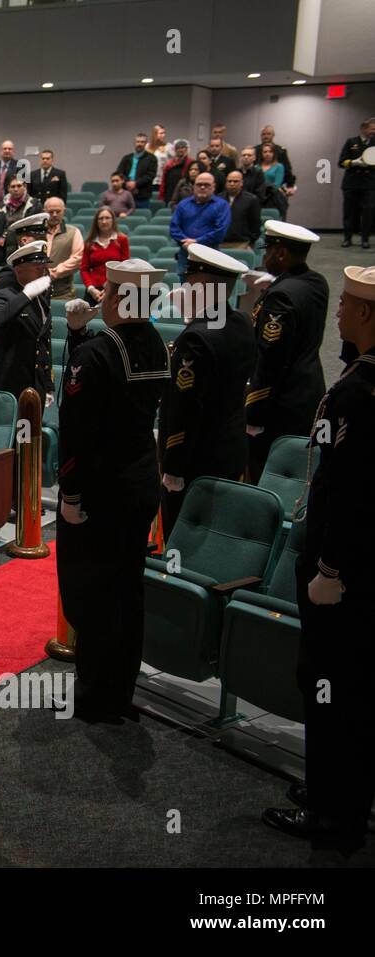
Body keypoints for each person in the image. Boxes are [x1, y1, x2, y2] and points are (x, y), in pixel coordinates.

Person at [262, 264, 375, 850]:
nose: (337, 316)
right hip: (360, 564)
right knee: (347, 686)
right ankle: (338, 787)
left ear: (366, 316)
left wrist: (329, 567)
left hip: (344, 568)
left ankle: (335, 811)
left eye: (347, 308)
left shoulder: (358, 390)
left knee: (332, 684)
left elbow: (348, 491)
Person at [56, 260, 170, 720]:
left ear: (124, 299)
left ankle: (94, 696)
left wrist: (70, 493)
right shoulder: (157, 345)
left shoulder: (99, 352)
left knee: (90, 593)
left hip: (100, 492)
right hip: (140, 483)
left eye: (107, 292)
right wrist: (83, 337)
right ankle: (119, 690)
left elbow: (77, 428)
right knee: (127, 592)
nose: (99, 296)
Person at [156, 245, 255, 532]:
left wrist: (173, 467)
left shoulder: (196, 339)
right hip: (230, 446)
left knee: (184, 535)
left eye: (189, 280)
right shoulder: (242, 322)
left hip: (195, 458)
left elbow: (184, 408)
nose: (185, 285)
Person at [245, 221, 328, 481]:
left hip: (279, 404)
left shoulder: (280, 297)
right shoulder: (316, 282)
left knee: (264, 475)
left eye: (267, 251)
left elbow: (271, 360)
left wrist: (254, 412)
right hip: (309, 390)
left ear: (281, 254)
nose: (264, 256)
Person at [0, 240, 54, 404]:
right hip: (11, 383)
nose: (44, 271)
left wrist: (48, 384)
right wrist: (25, 295)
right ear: (18, 269)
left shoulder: (41, 297)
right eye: (38, 268)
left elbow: (44, 343)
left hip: (36, 382)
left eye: (45, 267)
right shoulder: (4, 295)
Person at [170, 172, 230, 279]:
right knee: (185, 291)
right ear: (194, 186)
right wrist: (186, 242)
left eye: (207, 185)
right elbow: (174, 228)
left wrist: (197, 242)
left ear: (214, 187)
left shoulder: (222, 205)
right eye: (199, 184)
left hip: (210, 253)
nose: (202, 187)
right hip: (186, 254)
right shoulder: (183, 204)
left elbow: (220, 231)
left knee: (209, 291)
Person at [80, 207, 130, 303]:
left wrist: (110, 285)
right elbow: (84, 269)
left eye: (107, 218)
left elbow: (125, 266)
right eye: (101, 218)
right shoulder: (89, 242)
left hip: (116, 289)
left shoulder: (122, 239)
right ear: (96, 221)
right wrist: (91, 289)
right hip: (93, 292)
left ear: (113, 220)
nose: (104, 221)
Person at [338, 118, 375, 249]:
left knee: (368, 213)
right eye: (372, 129)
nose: (374, 132)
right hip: (351, 183)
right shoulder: (351, 142)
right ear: (364, 128)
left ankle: (365, 239)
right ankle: (347, 238)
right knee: (349, 212)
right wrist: (355, 162)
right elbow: (341, 162)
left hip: (369, 184)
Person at [43, 198, 84, 300]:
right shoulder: (35, 232)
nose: (55, 214)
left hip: (63, 293)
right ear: (44, 212)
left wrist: (53, 273)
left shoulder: (73, 232)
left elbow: (78, 258)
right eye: (51, 212)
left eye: (58, 211)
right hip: (36, 292)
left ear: (64, 211)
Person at [115, 132, 157, 209]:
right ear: (134, 143)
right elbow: (119, 173)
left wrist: (136, 183)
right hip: (125, 193)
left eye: (142, 142)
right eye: (138, 141)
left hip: (143, 195)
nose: (139, 144)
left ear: (146, 144)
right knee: (125, 218)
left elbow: (151, 175)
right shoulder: (126, 158)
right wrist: (127, 182)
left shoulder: (151, 158)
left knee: (141, 217)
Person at [221, 170, 262, 249]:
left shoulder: (251, 200)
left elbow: (255, 224)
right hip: (220, 243)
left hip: (241, 243)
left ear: (241, 183)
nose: (232, 183)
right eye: (229, 181)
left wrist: (250, 241)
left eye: (235, 181)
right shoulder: (218, 199)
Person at [259, 143, 290, 219]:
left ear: (274, 153)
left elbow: (277, 184)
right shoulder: (257, 167)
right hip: (259, 198)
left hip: (274, 198)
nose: (267, 154)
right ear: (261, 154)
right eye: (265, 152)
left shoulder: (279, 166)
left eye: (270, 151)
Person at [159, 139, 193, 206]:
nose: (180, 150)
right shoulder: (169, 164)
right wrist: (161, 195)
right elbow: (163, 181)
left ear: (186, 149)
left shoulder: (191, 163)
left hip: (186, 194)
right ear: (175, 150)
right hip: (170, 194)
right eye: (178, 148)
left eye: (182, 147)